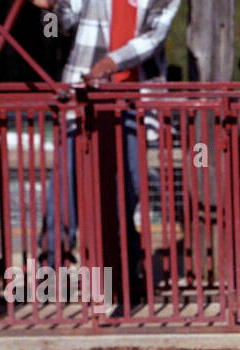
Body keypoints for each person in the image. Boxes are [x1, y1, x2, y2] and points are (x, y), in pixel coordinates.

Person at [32, 0, 181, 291]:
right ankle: (51, 268)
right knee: (66, 185)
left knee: (128, 188)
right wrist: (50, 6)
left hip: (134, 103)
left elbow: (153, 36)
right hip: (82, 95)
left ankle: (125, 270)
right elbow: (65, 21)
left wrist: (109, 63)